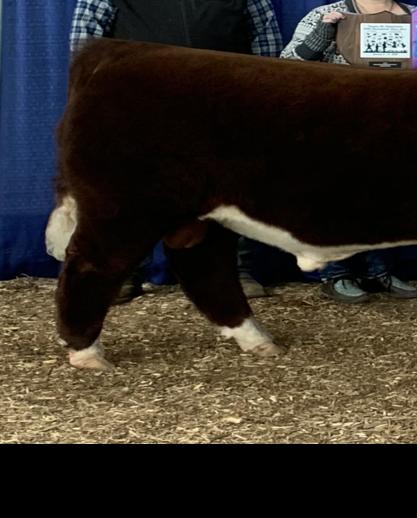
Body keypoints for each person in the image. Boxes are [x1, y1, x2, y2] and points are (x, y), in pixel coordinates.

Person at [70, 0, 284, 302]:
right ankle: (123, 270)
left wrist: (262, 96)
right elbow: (86, 42)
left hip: (223, 104)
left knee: (231, 190)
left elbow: (266, 41)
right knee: (131, 191)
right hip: (140, 104)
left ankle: (234, 270)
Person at [282, 0, 417, 302]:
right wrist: (321, 36)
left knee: (386, 200)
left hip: (398, 125)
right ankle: (337, 274)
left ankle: (378, 269)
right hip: (338, 124)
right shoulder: (324, 14)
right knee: (337, 200)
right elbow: (288, 64)